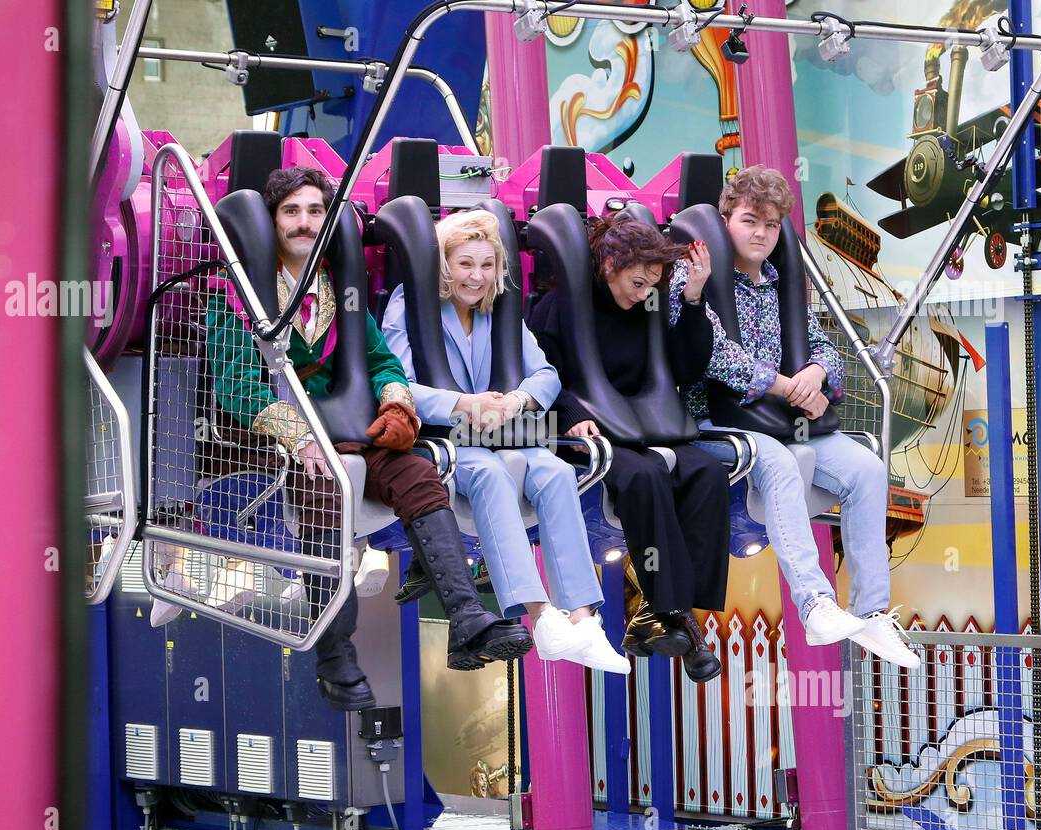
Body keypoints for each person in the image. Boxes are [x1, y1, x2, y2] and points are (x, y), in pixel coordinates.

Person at [198, 167, 534, 710]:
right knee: (325, 489)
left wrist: (396, 401)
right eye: (292, 212)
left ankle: (469, 616)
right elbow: (236, 387)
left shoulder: (334, 288)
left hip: (351, 429)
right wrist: (298, 436)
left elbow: (378, 359)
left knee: (419, 474)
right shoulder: (231, 295)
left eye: (314, 212)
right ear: (271, 221)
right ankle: (335, 656)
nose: (305, 223)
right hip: (265, 435)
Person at [670, 164, 918, 668]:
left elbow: (823, 344)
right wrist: (784, 384)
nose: (760, 233)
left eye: (769, 224)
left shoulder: (783, 284)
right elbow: (710, 350)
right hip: (721, 422)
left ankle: (871, 613)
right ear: (725, 219)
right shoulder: (695, 272)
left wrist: (819, 378)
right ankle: (815, 602)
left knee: (868, 470)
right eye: (748, 221)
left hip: (785, 417)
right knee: (781, 465)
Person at [382, 209, 629, 674]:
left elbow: (547, 375)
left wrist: (516, 400)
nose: (476, 276)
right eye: (465, 264)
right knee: (493, 476)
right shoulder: (407, 303)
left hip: (504, 432)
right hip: (449, 439)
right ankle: (541, 617)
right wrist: (462, 403)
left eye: (486, 265)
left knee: (556, 472)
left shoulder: (498, 314)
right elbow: (397, 383)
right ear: (444, 266)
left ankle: (582, 619)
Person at [529, 215, 727, 683]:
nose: (642, 294)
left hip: (648, 424)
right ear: (611, 263)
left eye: (652, 285)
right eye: (637, 282)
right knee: (643, 477)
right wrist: (571, 415)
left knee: (708, 472)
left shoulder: (649, 305)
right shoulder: (558, 307)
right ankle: (675, 617)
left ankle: (665, 614)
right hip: (583, 429)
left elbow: (685, 365)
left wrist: (693, 300)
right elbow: (537, 374)